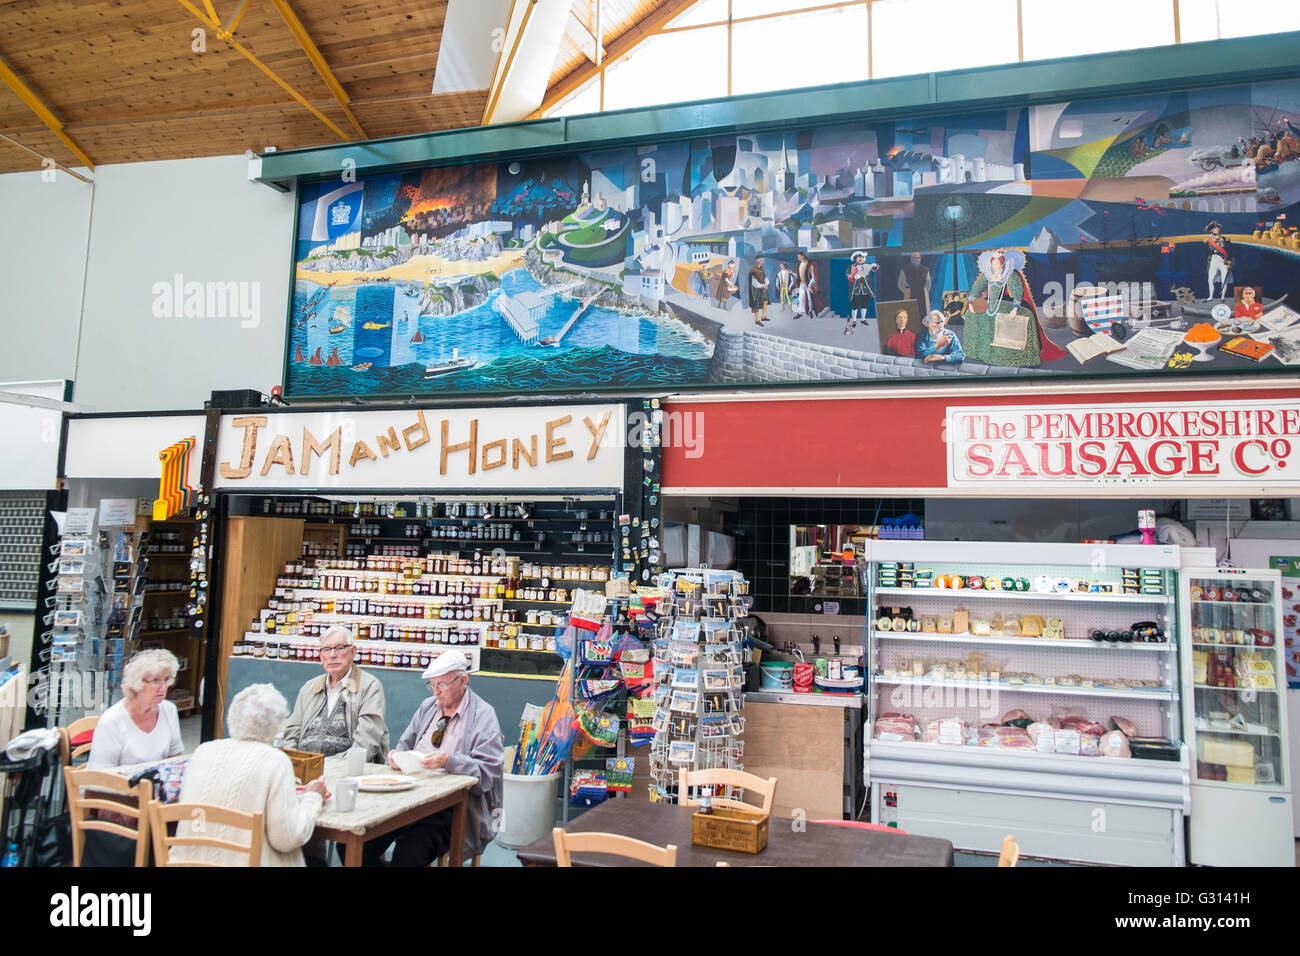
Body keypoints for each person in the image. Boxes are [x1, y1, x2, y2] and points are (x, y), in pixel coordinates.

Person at [170, 684, 328, 866]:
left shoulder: (202, 752)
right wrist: (312, 797)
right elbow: (287, 839)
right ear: (277, 725)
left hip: (188, 862)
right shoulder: (275, 760)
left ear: (233, 716)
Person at [379, 650, 504, 866]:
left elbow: (489, 771)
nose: (436, 692)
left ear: (463, 680)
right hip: (409, 798)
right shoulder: (428, 707)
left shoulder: (483, 715)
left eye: (442, 685)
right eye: (432, 685)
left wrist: (449, 761)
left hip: (451, 809)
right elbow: (404, 744)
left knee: (408, 855)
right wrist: (396, 756)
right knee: (362, 842)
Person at [281, 625, 388, 762]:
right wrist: (295, 761)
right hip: (305, 768)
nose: (332, 655)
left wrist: (323, 766)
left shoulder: (369, 687)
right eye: (326, 649)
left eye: (340, 648)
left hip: (346, 772)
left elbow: (365, 744)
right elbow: (291, 733)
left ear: (353, 652)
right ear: (320, 655)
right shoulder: (309, 688)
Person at [960, 247, 1066, 368]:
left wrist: (1015, 308)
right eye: (993, 264)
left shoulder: (1010, 273)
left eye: (997, 264)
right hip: (989, 304)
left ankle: (1012, 356)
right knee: (971, 315)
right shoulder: (988, 274)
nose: (995, 267)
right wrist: (971, 301)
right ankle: (977, 351)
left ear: (1002, 263)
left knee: (1014, 318)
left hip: (1007, 302)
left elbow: (1017, 291)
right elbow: (977, 288)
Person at [87, 649, 183, 771]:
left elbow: (175, 760)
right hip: (118, 787)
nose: (163, 688)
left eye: (167, 679)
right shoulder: (112, 720)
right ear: (137, 683)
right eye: (155, 681)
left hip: (157, 786)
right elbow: (101, 776)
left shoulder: (169, 710)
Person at [845, 253, 877, 334]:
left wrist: (874, 265)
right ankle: (854, 321)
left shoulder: (867, 265)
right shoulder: (851, 267)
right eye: (858, 257)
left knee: (864, 305)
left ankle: (863, 319)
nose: (860, 259)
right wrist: (853, 277)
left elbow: (875, 268)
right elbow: (847, 275)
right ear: (856, 258)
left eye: (861, 257)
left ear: (864, 258)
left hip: (865, 290)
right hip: (855, 290)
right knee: (854, 306)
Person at [1204, 221, 1233, 299]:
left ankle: (1223, 296)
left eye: (1218, 228)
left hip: (1223, 260)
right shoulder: (1208, 240)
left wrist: (1229, 262)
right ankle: (1210, 296)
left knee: (1224, 280)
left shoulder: (1225, 238)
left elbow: (1230, 251)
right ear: (1211, 230)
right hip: (1213, 260)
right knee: (1210, 280)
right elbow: (1207, 252)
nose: (1217, 229)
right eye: (1215, 228)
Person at [795, 251, 819, 319]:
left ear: (803, 256)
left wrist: (809, 285)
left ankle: (810, 311)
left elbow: (813, 277)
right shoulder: (799, 265)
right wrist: (793, 274)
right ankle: (800, 313)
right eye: (798, 257)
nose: (799, 258)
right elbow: (798, 276)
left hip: (808, 284)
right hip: (801, 284)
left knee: (809, 299)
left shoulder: (810, 264)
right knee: (801, 298)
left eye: (800, 256)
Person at [748, 257, 769, 325]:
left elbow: (765, 278)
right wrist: (762, 285)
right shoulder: (753, 270)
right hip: (756, 291)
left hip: (763, 289)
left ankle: (763, 316)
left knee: (765, 301)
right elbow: (754, 283)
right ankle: (757, 320)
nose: (763, 261)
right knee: (756, 305)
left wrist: (766, 284)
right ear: (757, 261)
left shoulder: (762, 269)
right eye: (761, 260)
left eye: (763, 260)